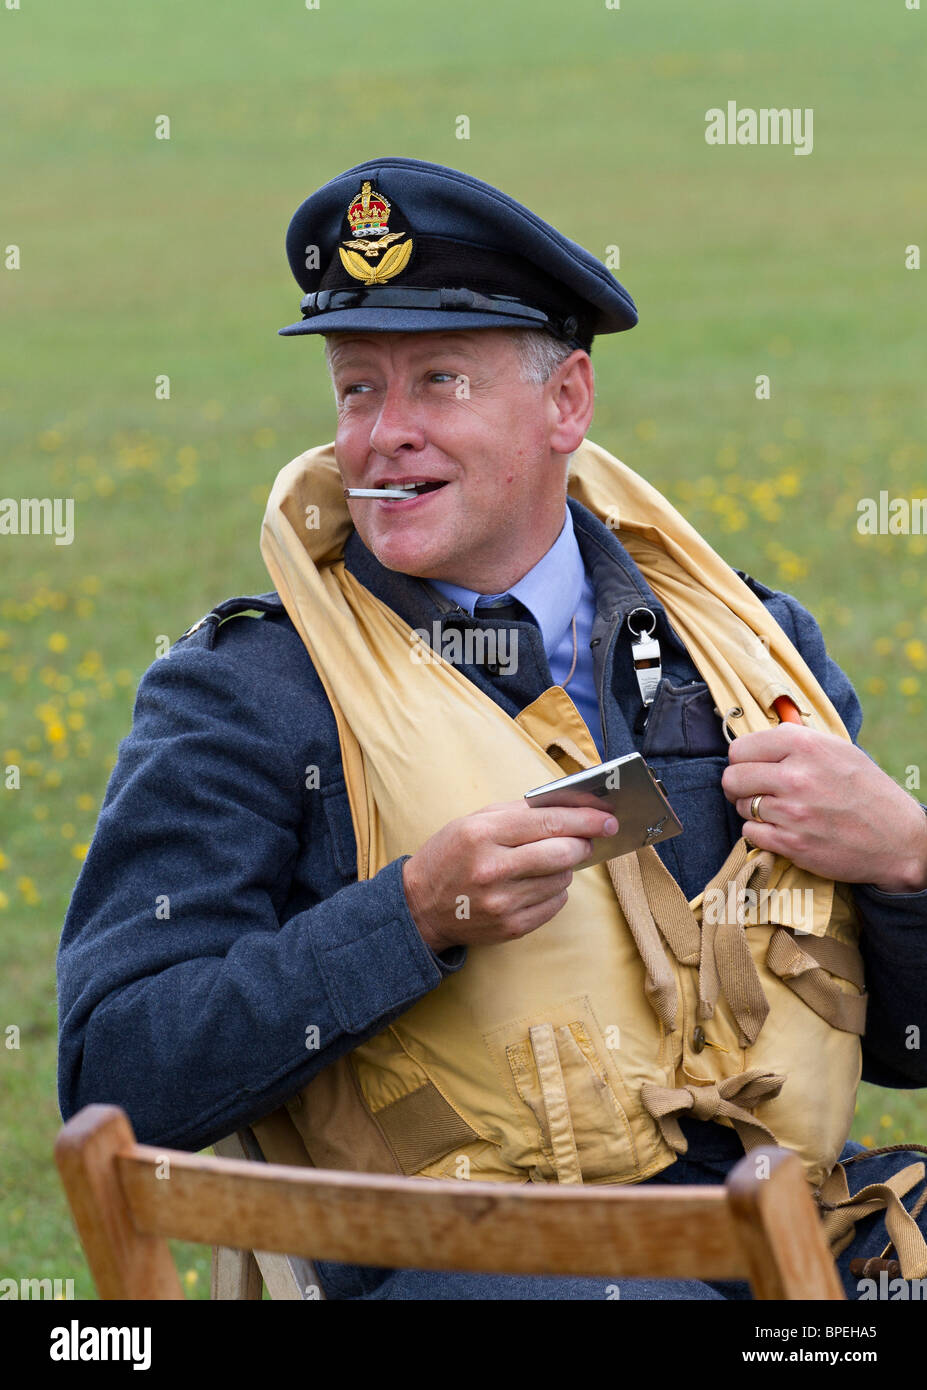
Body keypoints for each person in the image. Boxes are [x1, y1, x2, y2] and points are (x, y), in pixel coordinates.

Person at [57, 156, 927, 1301]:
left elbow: (910, 1049)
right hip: (479, 1267)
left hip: (780, 1234)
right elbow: (116, 1074)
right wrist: (406, 919)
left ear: (567, 400)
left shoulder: (752, 645)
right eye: (359, 388)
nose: (383, 437)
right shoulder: (250, 691)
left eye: (441, 383)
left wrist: (908, 863)